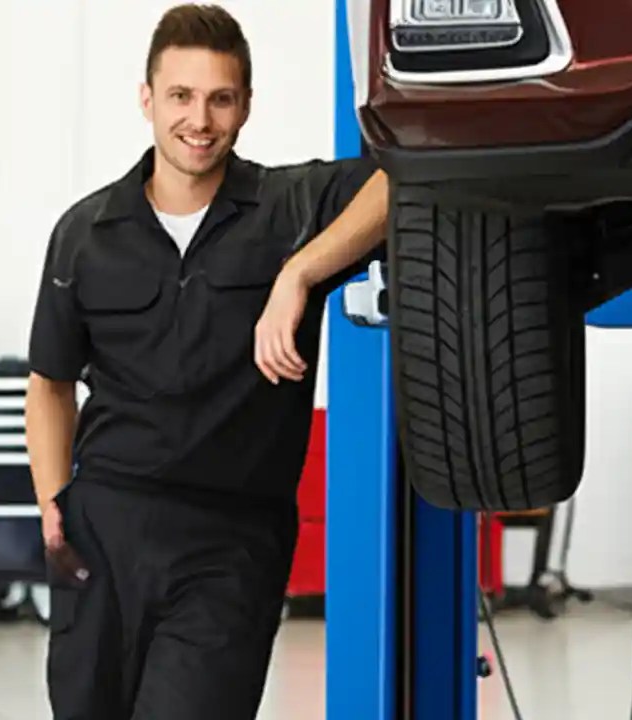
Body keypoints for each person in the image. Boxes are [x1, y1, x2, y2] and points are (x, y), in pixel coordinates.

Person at [23, 4, 389, 718]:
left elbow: (405, 177)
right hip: (105, 531)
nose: (200, 119)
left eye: (221, 98)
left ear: (246, 105)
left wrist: (301, 273)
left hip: (230, 543)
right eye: (181, 97)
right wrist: (51, 505)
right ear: (147, 99)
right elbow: (50, 383)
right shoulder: (86, 233)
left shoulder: (287, 208)